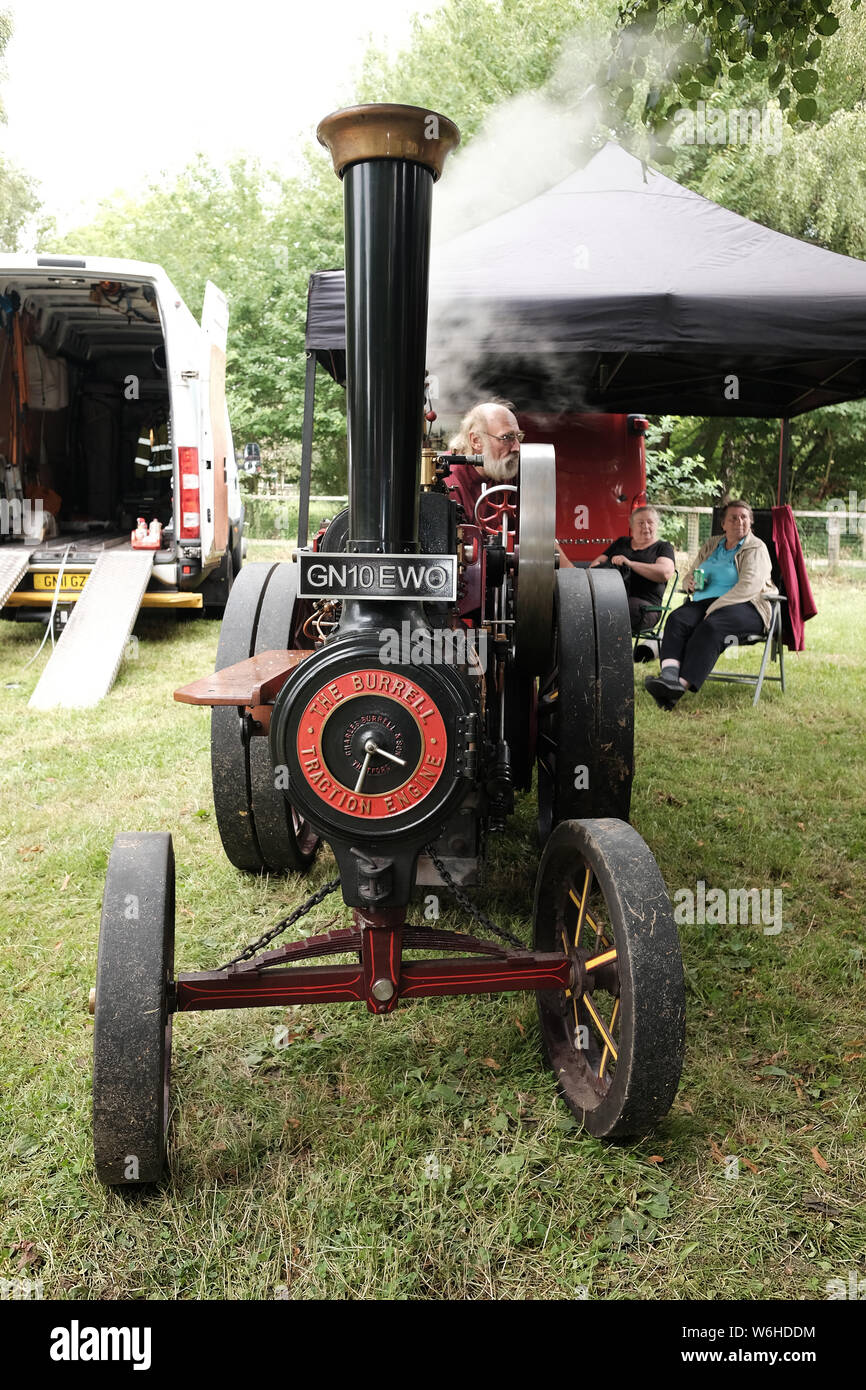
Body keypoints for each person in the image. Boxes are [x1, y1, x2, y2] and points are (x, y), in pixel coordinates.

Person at [644, 499, 777, 708]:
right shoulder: (713, 544)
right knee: (677, 619)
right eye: (733, 517)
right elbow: (694, 572)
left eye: (744, 517)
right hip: (706, 602)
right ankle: (669, 677)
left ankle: (676, 688)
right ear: (723, 524)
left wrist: (716, 608)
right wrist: (689, 582)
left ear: (750, 522)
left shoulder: (756, 548)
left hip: (747, 606)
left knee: (712, 626)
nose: (739, 521)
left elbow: (749, 587)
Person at [589, 505, 675, 634]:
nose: (646, 526)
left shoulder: (663, 547)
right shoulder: (621, 542)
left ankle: (612, 652)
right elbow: (595, 564)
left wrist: (630, 564)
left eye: (650, 522)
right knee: (586, 607)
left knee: (614, 610)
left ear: (656, 525)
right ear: (631, 526)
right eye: (640, 523)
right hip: (611, 597)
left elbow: (664, 573)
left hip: (645, 608)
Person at [445, 398, 523, 520]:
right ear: (476, 440)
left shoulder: (507, 471)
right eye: (507, 437)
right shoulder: (448, 481)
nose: (517, 448)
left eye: (518, 436)